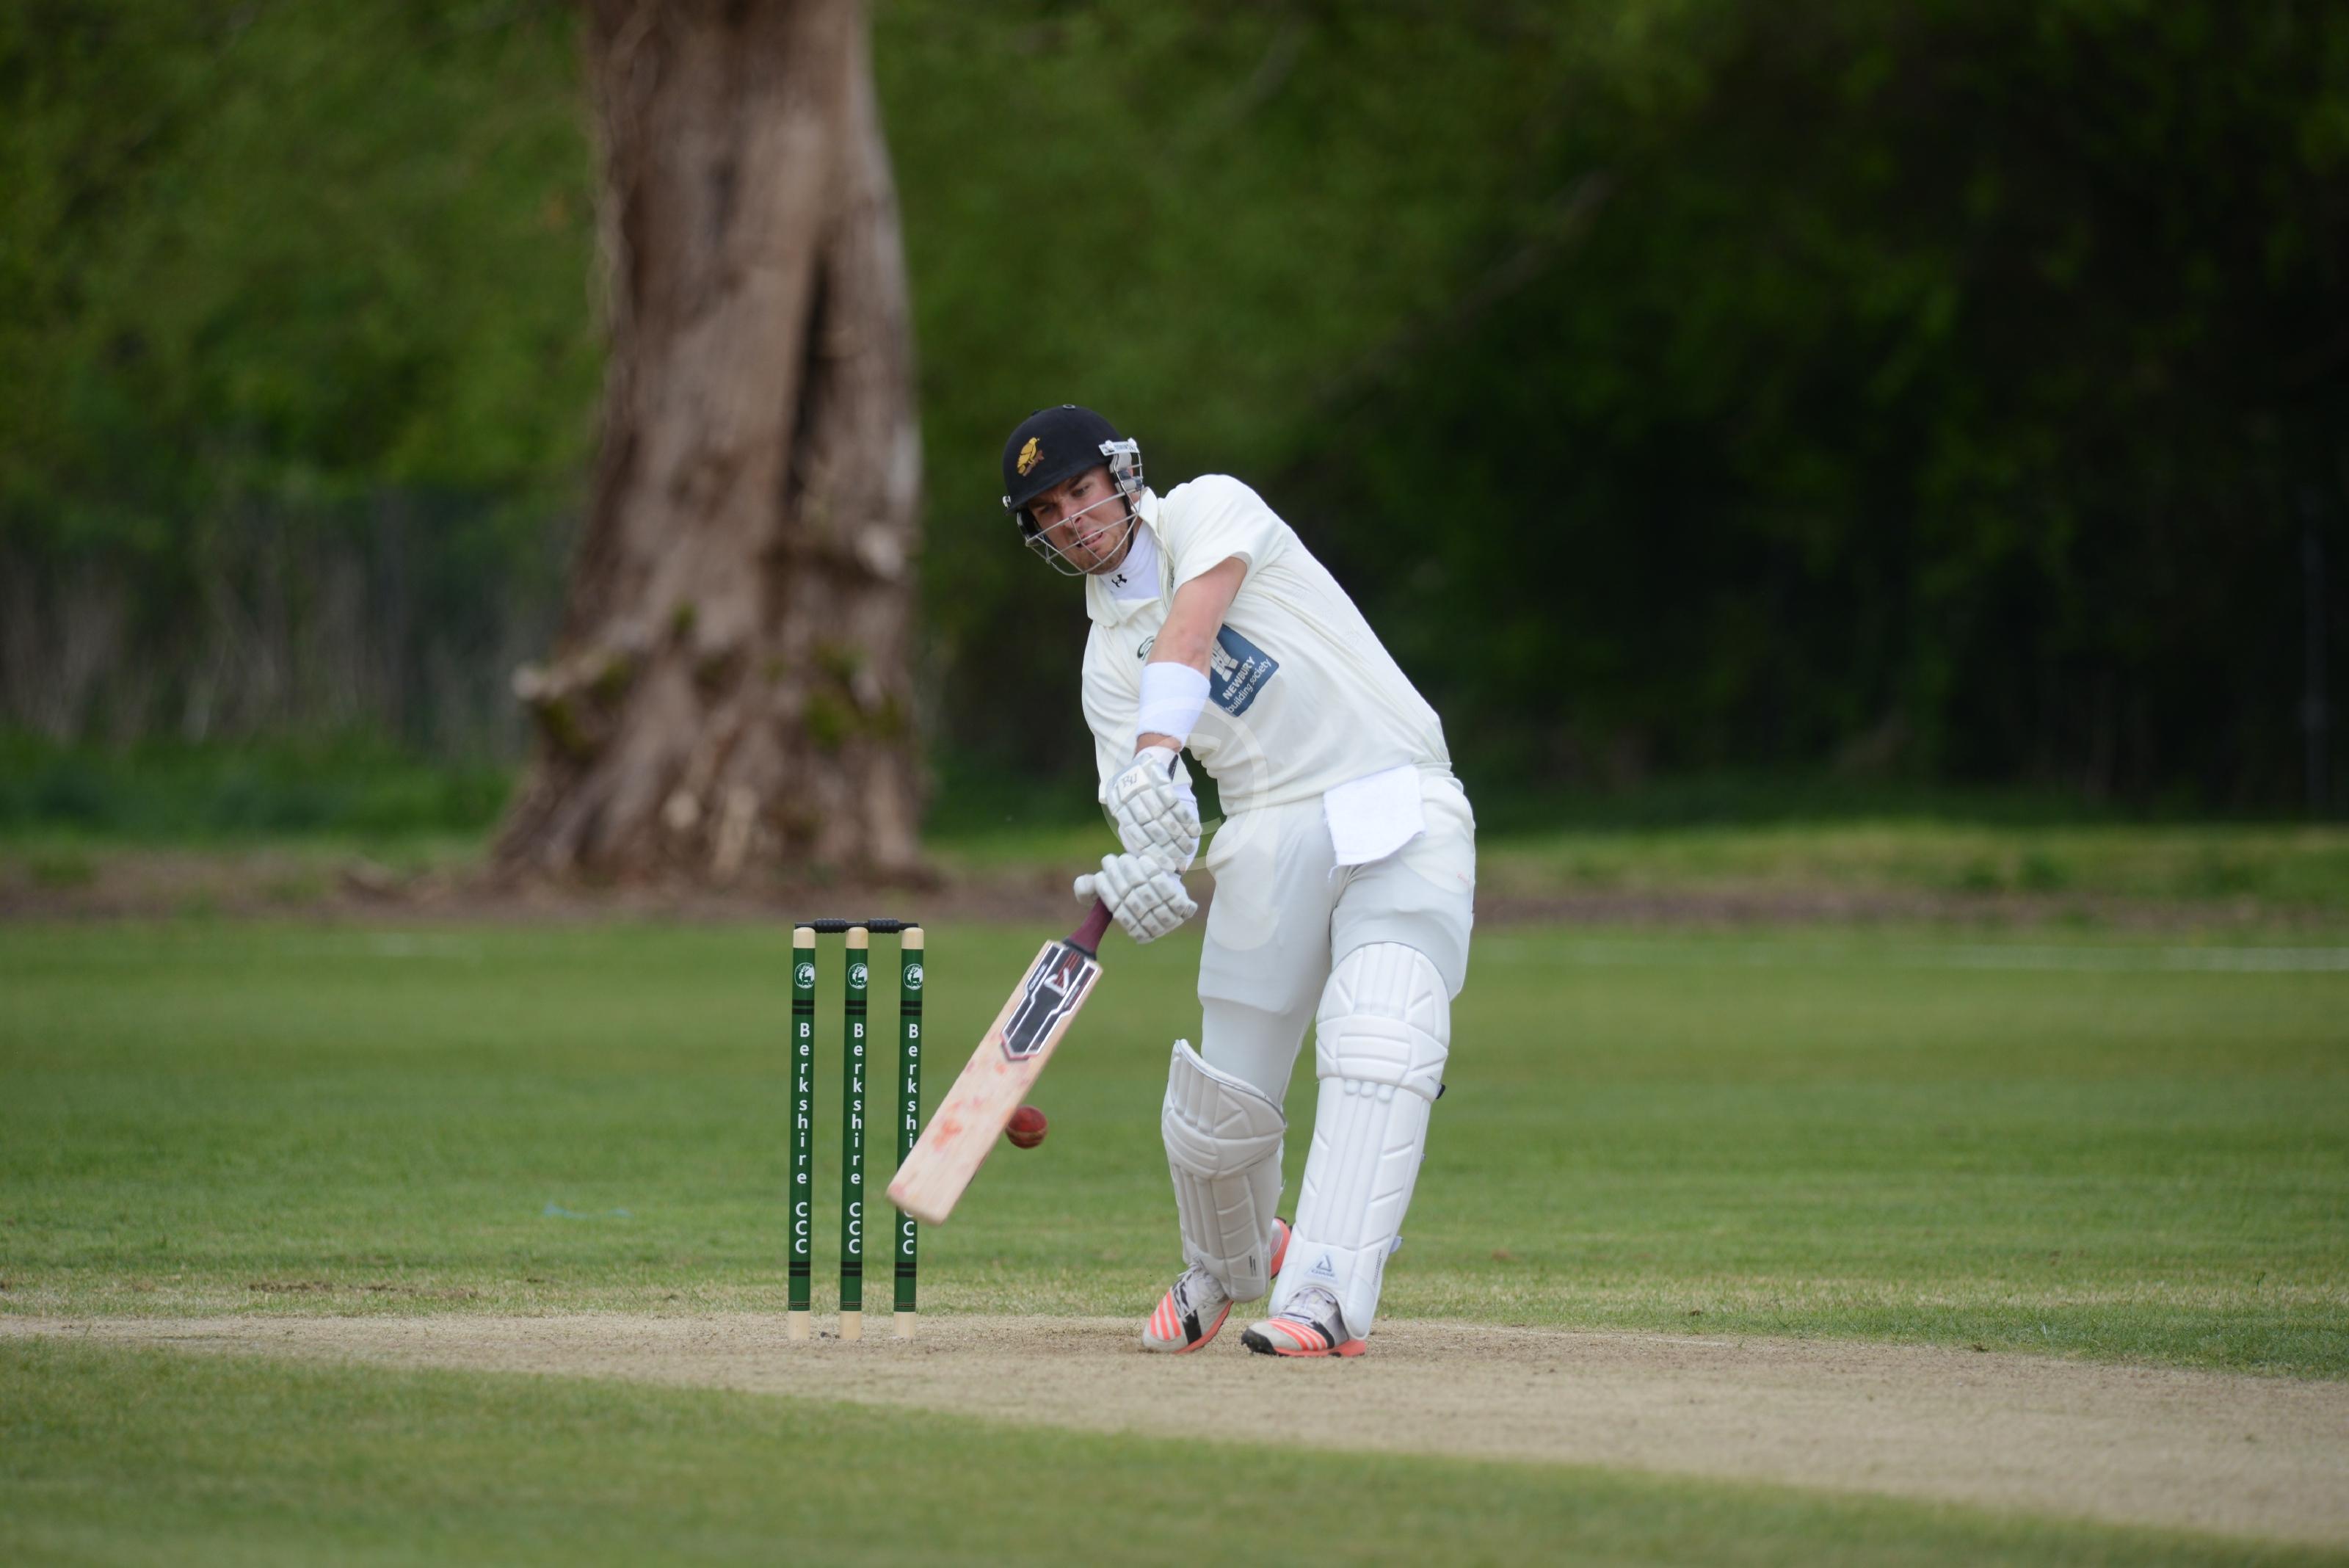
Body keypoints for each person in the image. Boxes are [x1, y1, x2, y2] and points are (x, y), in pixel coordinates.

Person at [997, 404, 1475, 1357]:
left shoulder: (1211, 509)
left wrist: (1157, 753)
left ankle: (1329, 1291)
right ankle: (1233, 1264)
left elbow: (1191, 628)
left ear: (1123, 479)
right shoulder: (1103, 665)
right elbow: (1147, 807)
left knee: (1378, 1029)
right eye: (1049, 511)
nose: (1073, 520)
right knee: (1218, 1105)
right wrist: (1143, 868)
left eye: (1082, 492)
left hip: (1384, 787)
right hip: (1263, 830)